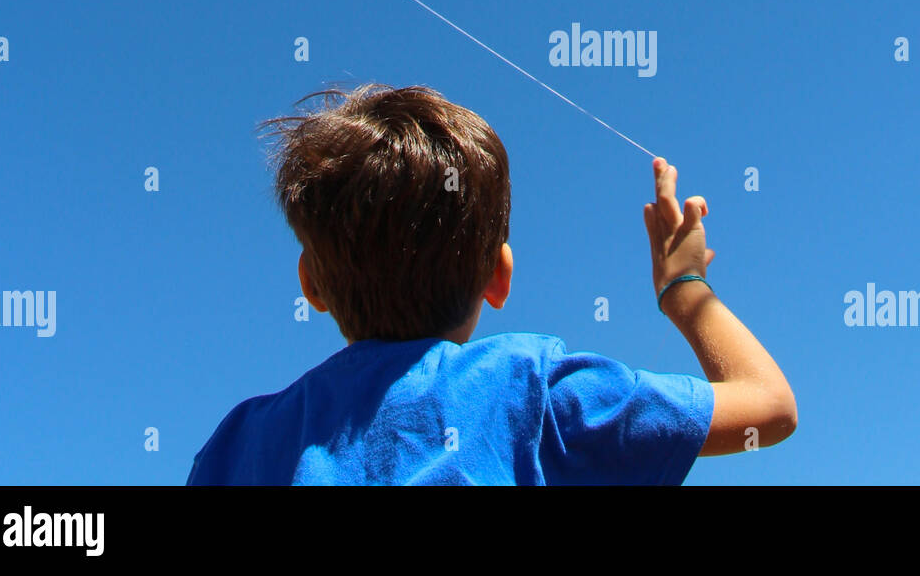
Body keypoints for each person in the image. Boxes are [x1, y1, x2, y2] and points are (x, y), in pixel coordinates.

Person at [186, 84, 795, 484]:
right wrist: (684, 288)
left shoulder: (237, 447)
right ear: (499, 278)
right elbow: (769, 407)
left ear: (310, 287)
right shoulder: (531, 393)